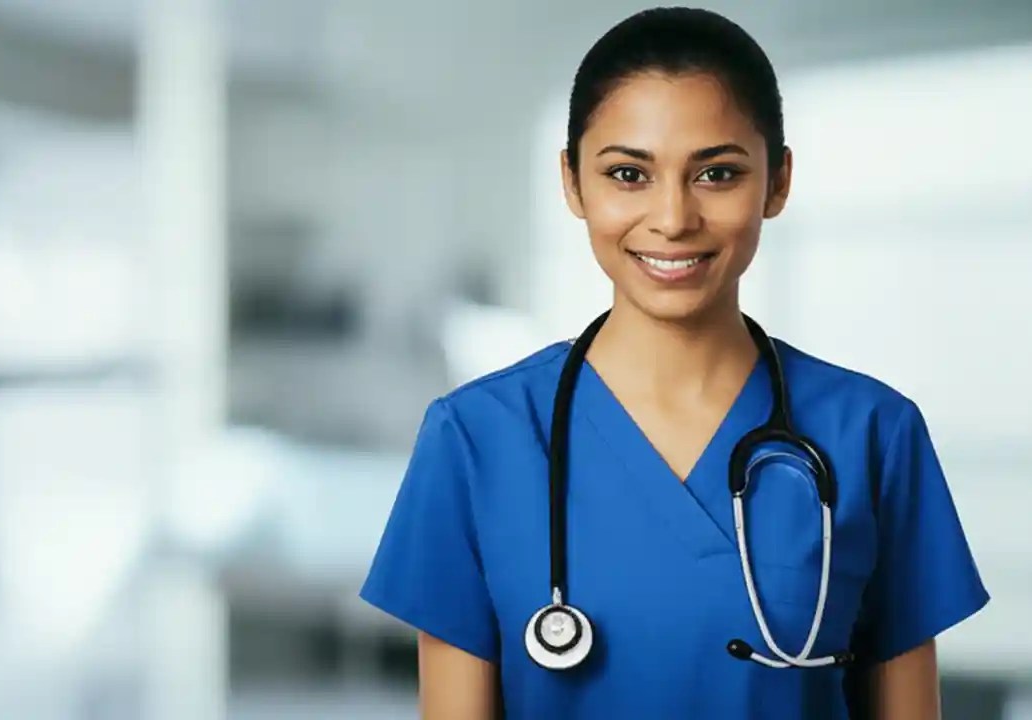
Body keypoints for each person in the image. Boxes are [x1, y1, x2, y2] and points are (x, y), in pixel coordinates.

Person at [359, 6, 988, 718]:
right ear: (572, 182)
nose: (673, 218)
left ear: (777, 182)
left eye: (716, 173)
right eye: (628, 173)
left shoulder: (873, 435)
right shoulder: (477, 438)